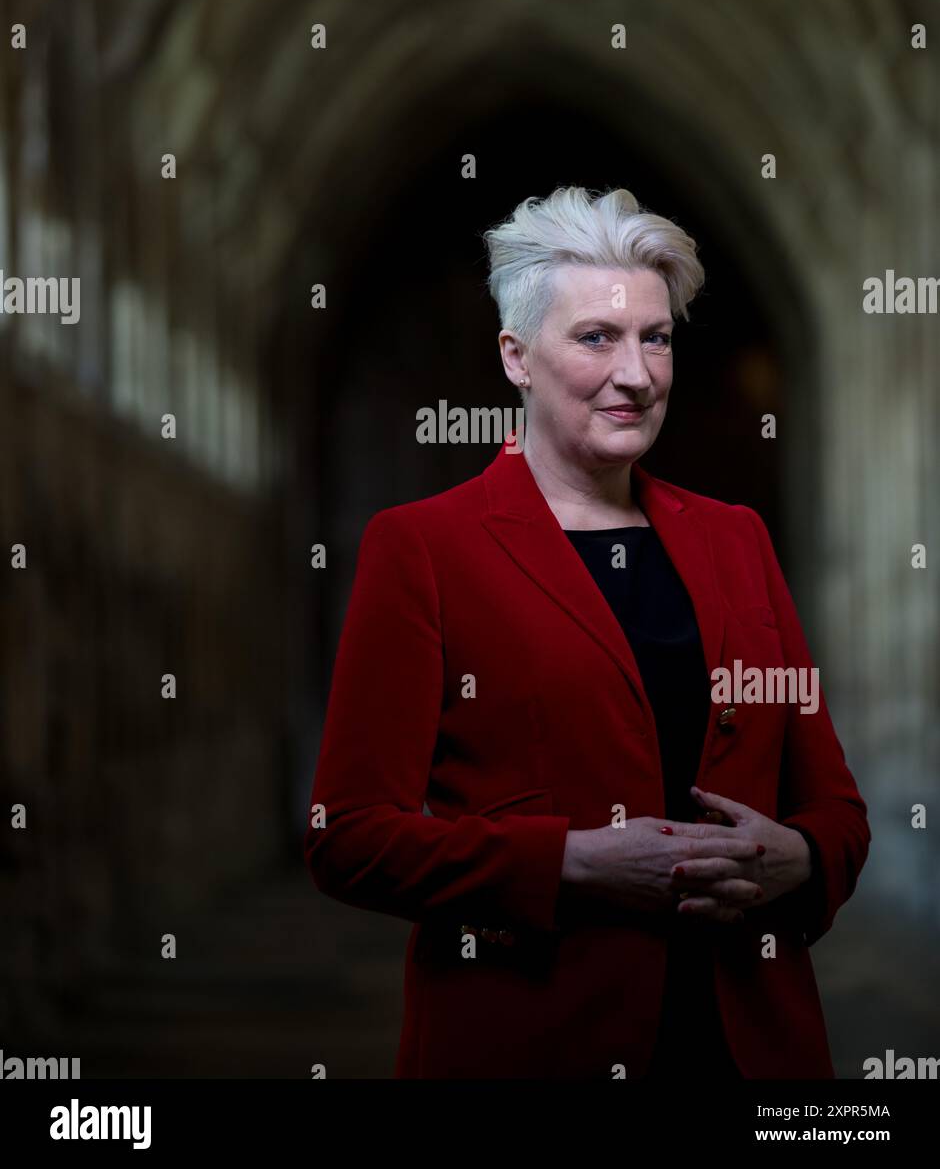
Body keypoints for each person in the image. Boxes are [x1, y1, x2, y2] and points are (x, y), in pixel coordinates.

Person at [303, 184, 870, 1079]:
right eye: (597, 338)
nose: (637, 373)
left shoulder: (736, 539)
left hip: (750, 1046)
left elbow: (835, 810)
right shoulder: (422, 549)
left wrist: (794, 859)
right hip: (529, 1040)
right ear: (516, 356)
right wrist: (568, 864)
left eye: (656, 337)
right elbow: (349, 837)